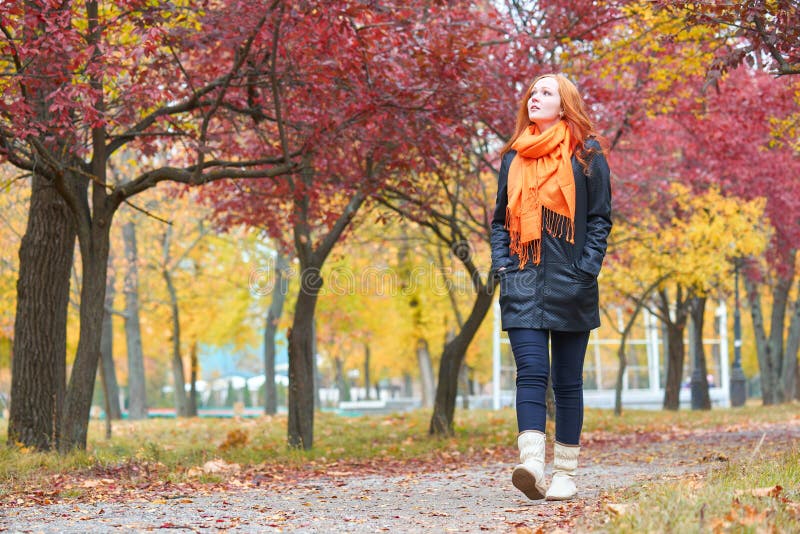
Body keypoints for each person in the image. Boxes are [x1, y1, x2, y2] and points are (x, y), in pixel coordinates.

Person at [490, 74, 612, 501]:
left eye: (545, 92)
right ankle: (530, 463)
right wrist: (503, 265)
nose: (534, 97)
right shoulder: (513, 158)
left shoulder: (587, 155)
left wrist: (586, 269)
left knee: (566, 381)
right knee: (530, 373)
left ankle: (565, 473)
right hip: (522, 278)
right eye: (532, 92)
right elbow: (499, 223)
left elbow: (599, 219)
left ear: (565, 105)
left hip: (571, 282)